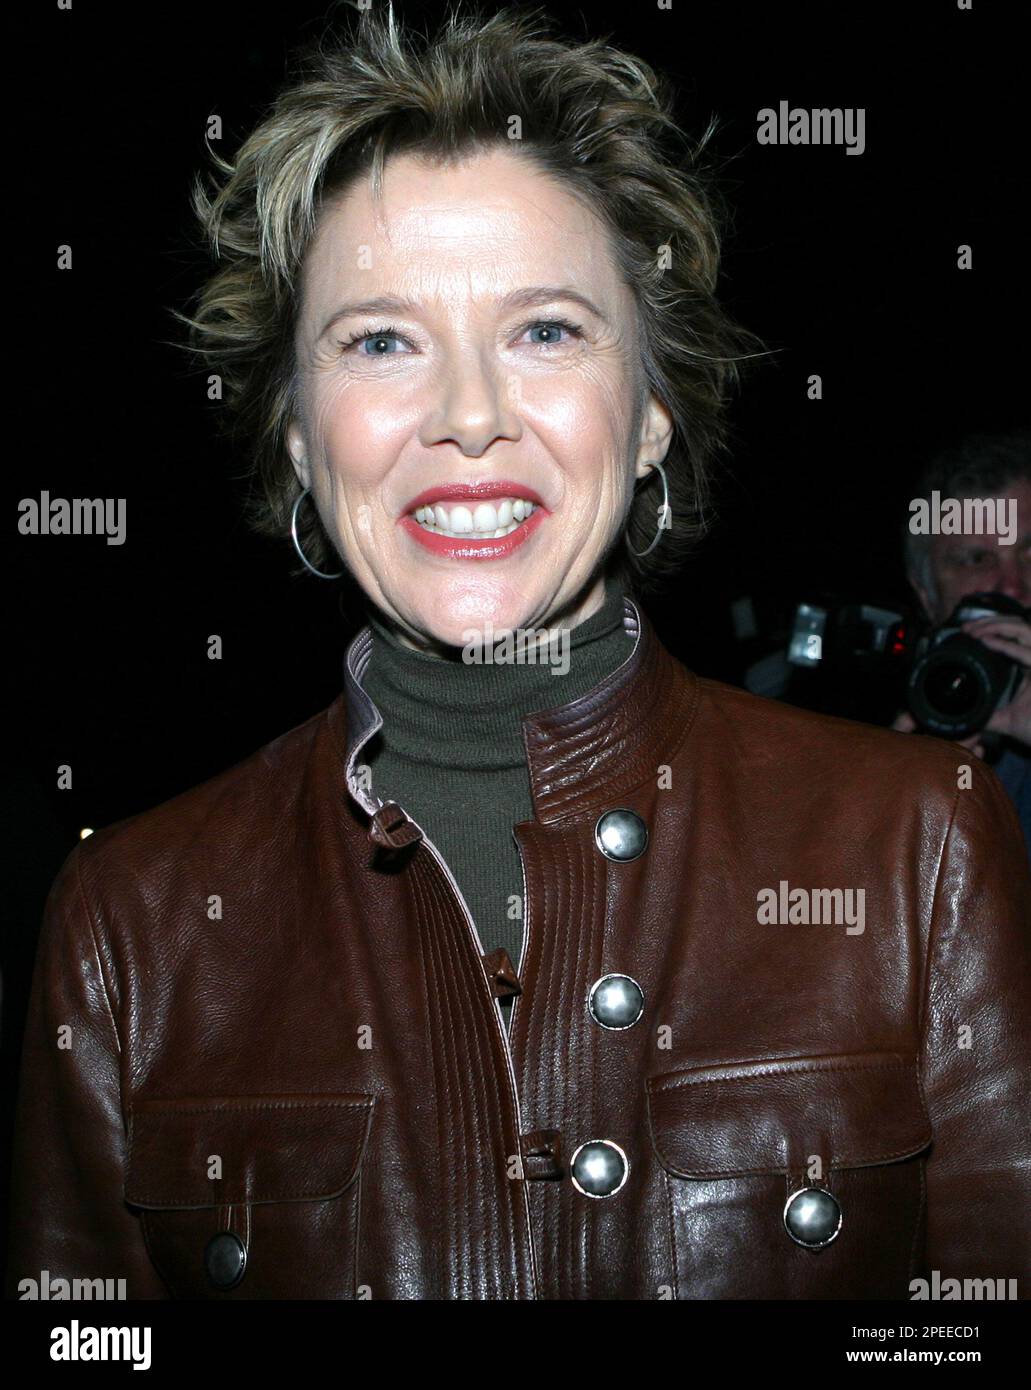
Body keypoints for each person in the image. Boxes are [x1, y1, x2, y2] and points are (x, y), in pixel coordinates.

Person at [6, 4, 1030, 1301]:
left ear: (649, 414)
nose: (469, 415)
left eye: (544, 329)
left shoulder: (917, 841)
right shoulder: (125, 921)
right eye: (380, 340)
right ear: (302, 443)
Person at [896, 431, 1031, 856]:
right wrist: (893, 805)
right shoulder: (863, 738)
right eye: (976, 559)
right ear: (926, 594)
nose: (1012, 587)